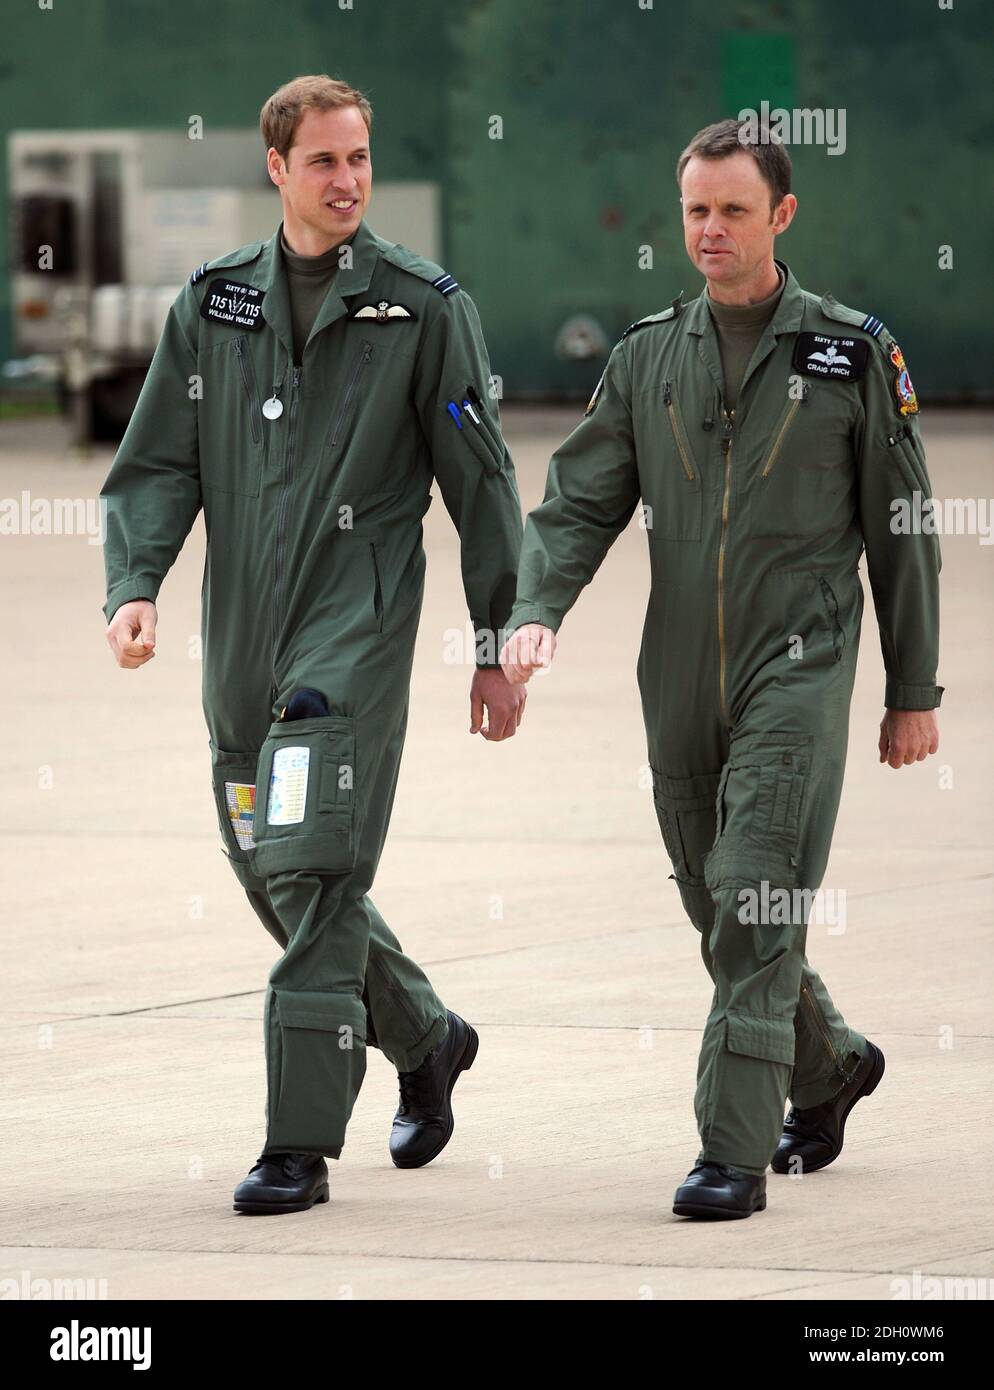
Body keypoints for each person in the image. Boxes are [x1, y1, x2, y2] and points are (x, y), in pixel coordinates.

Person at [499, 118, 942, 1220]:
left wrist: (912, 691)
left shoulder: (849, 353)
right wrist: (536, 610)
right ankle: (829, 1064)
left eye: (733, 210)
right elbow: (578, 503)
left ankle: (730, 1155)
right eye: (696, 209)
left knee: (752, 893)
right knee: (716, 900)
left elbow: (904, 531)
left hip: (799, 665)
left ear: (780, 215)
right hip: (678, 677)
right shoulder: (647, 355)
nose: (710, 229)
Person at [101, 74, 525, 1215]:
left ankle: (296, 1145)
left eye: (361, 158)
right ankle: (425, 1034)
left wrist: (496, 640)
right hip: (240, 641)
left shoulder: (421, 309)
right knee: (269, 862)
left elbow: (482, 486)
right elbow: (157, 462)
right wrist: (135, 585)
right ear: (277, 168)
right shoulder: (214, 304)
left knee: (316, 857)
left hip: (353, 633)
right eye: (325, 160)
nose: (348, 180)